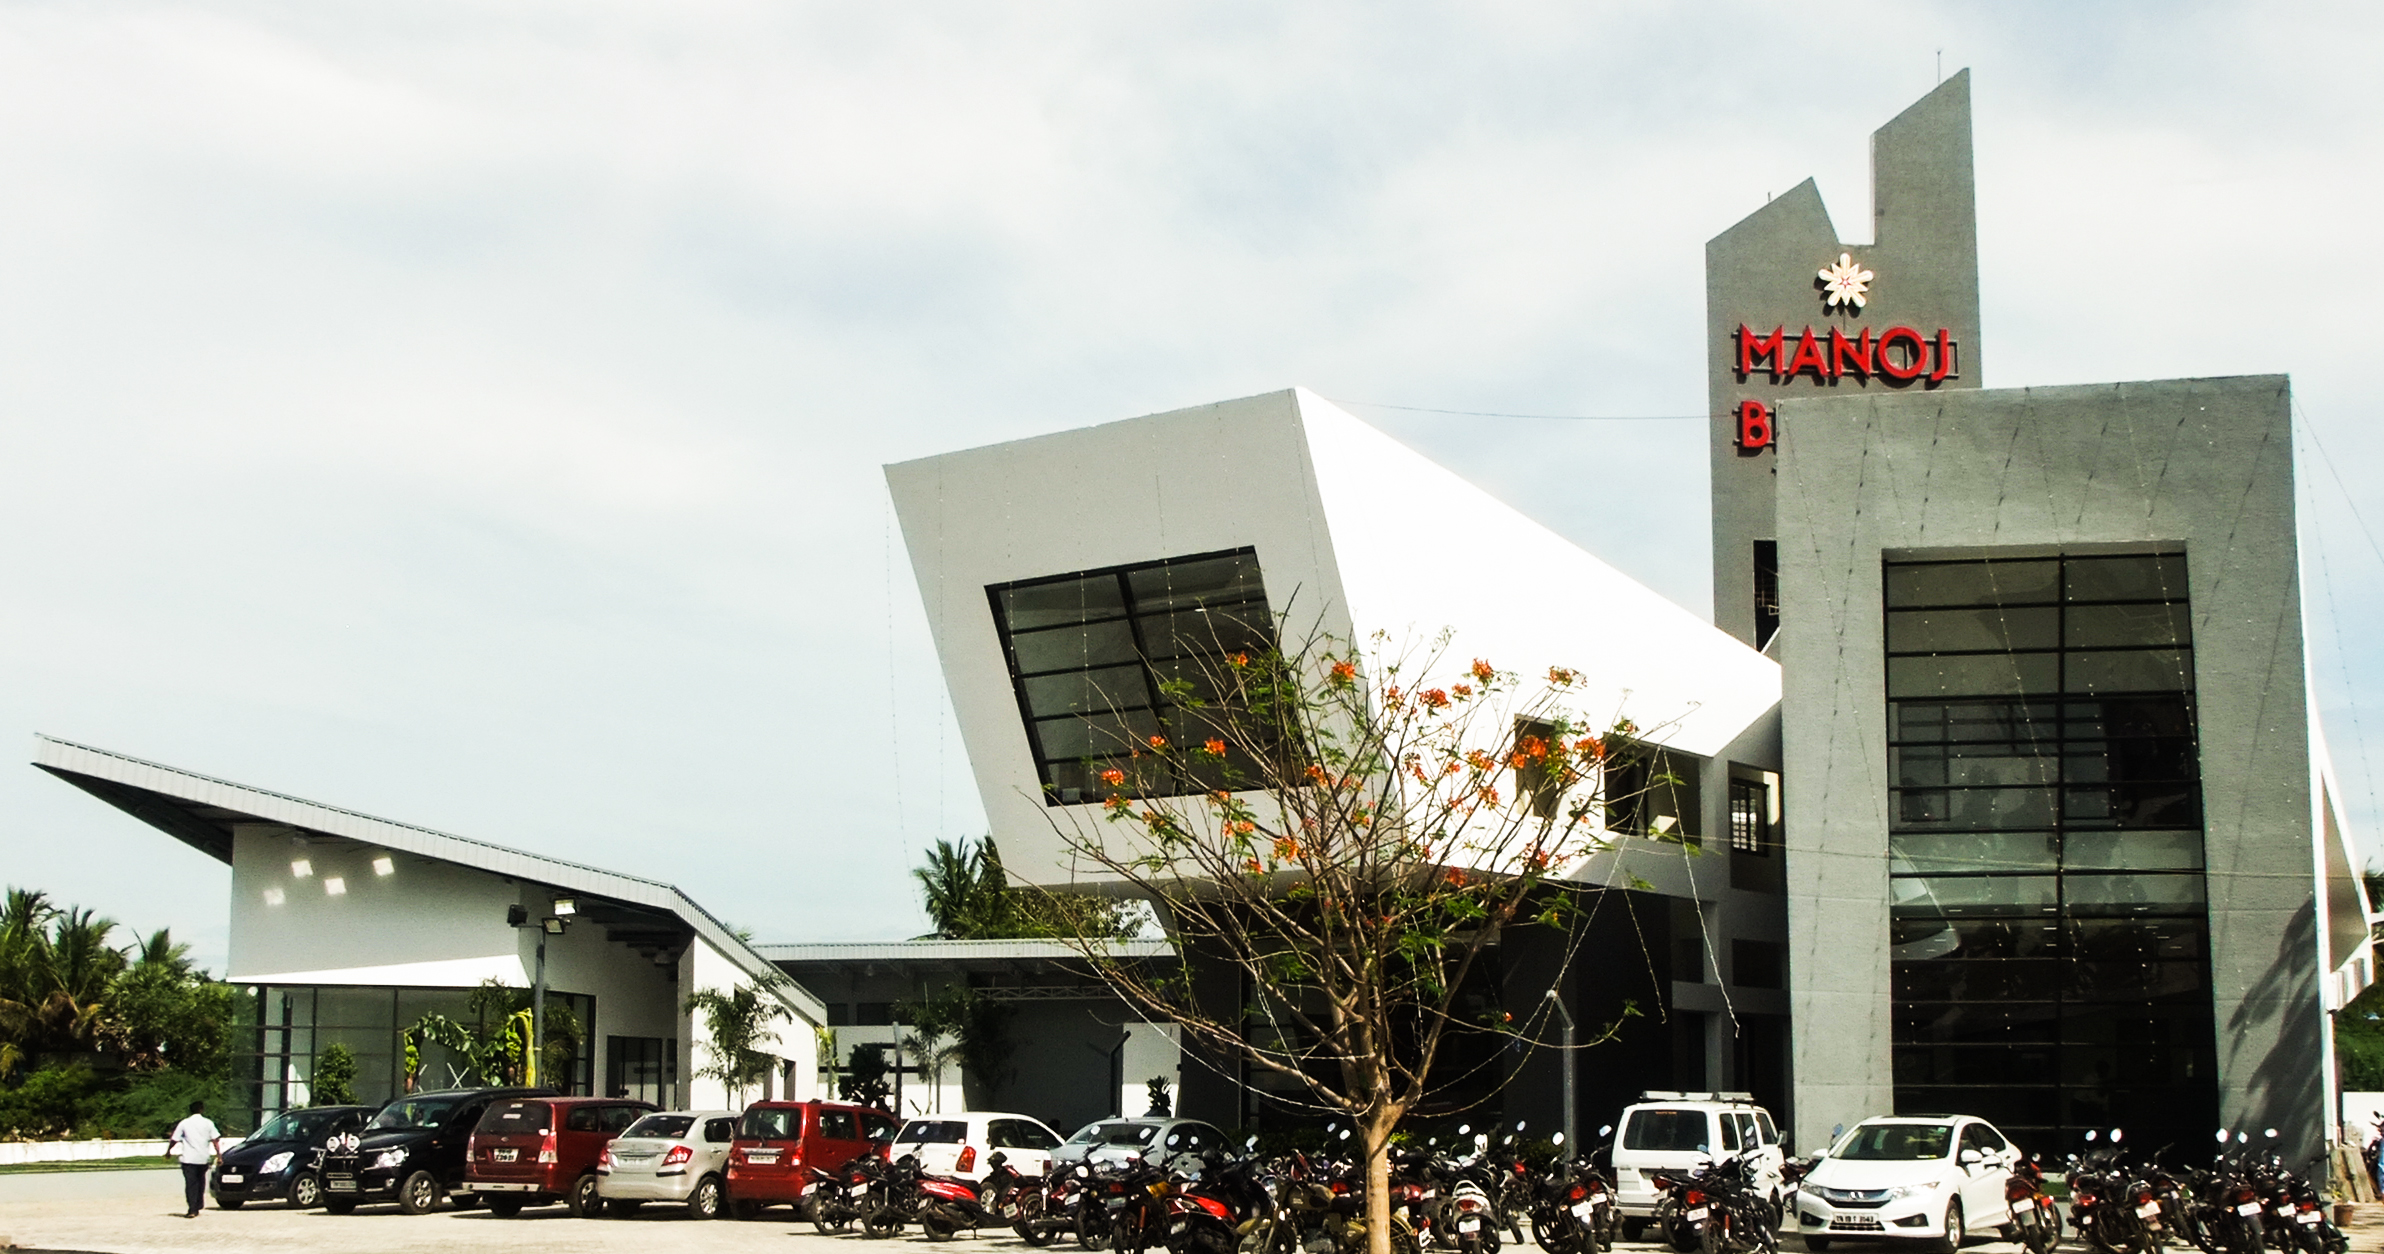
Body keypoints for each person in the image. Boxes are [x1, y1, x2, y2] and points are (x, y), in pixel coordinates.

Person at [163, 1099, 222, 1218]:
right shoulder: (208, 1123)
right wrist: (219, 1155)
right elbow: (215, 1140)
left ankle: (192, 1209)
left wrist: (169, 1151)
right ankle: (198, 1203)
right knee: (200, 1181)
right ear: (202, 1109)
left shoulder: (184, 1123)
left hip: (188, 1158)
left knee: (191, 1183)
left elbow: (174, 1139)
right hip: (203, 1158)